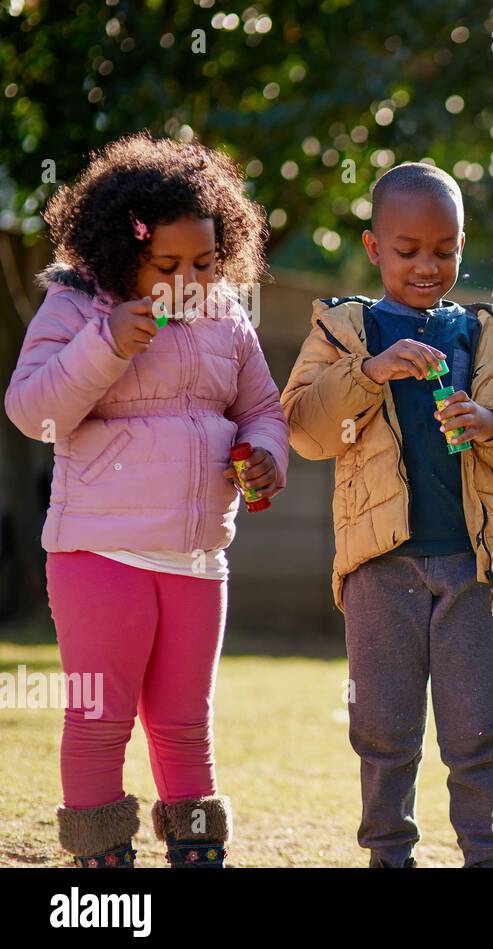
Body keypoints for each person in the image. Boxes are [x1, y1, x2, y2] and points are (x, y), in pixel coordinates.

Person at [4, 132, 287, 867]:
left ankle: (198, 853)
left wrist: (266, 454)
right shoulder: (76, 304)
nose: (188, 280)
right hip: (100, 554)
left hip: (197, 558)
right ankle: (103, 865)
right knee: (100, 719)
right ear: (121, 250)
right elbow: (32, 412)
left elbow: (262, 409)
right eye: (167, 266)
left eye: (205, 262)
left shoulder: (227, 316)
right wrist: (105, 344)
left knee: (186, 724)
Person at [280, 162, 493, 867]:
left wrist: (492, 423)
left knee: (479, 732)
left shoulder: (492, 333)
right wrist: (369, 371)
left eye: (444, 249)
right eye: (407, 251)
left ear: (463, 243)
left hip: (472, 565)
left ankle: (488, 855)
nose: (427, 266)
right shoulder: (345, 331)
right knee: (383, 732)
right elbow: (304, 428)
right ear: (374, 248)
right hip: (380, 568)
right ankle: (388, 855)